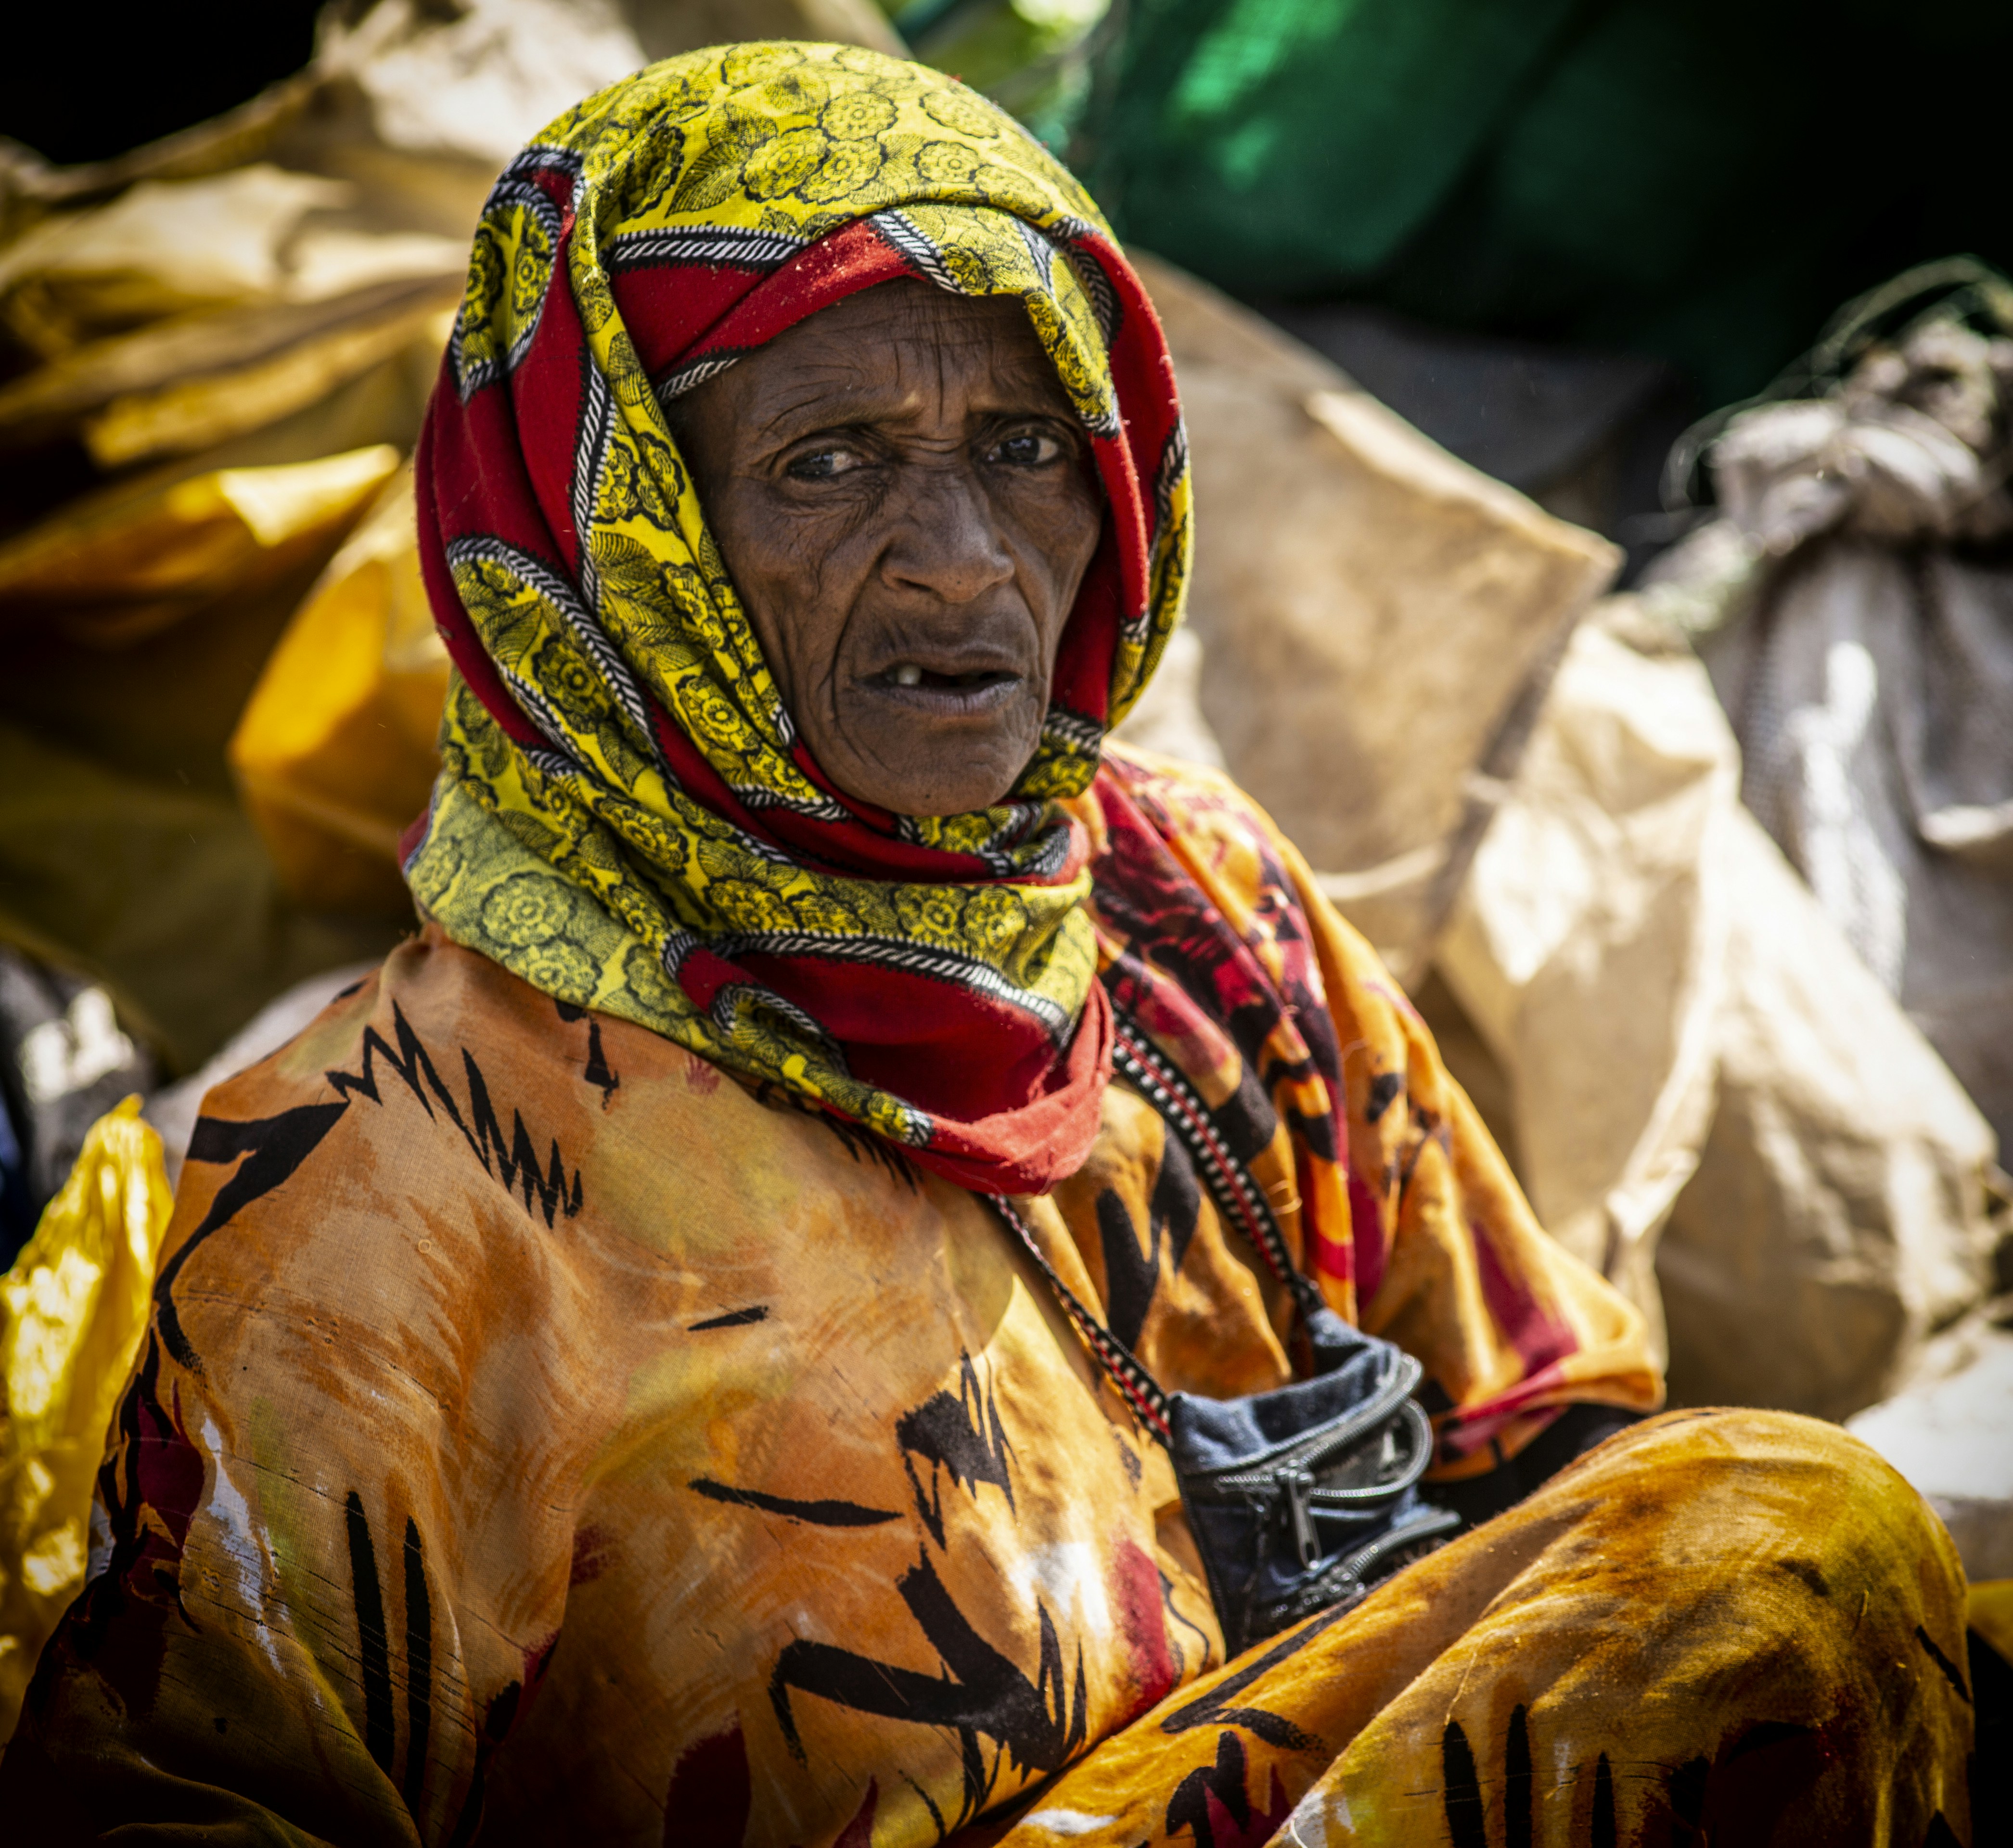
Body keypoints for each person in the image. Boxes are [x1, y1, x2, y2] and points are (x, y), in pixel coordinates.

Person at [1, 44, 1972, 1848]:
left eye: (1026, 445)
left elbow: (1549, 1443)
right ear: (615, 527)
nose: (959, 560)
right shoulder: (388, 1174)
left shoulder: (1182, 907)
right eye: (826, 462)